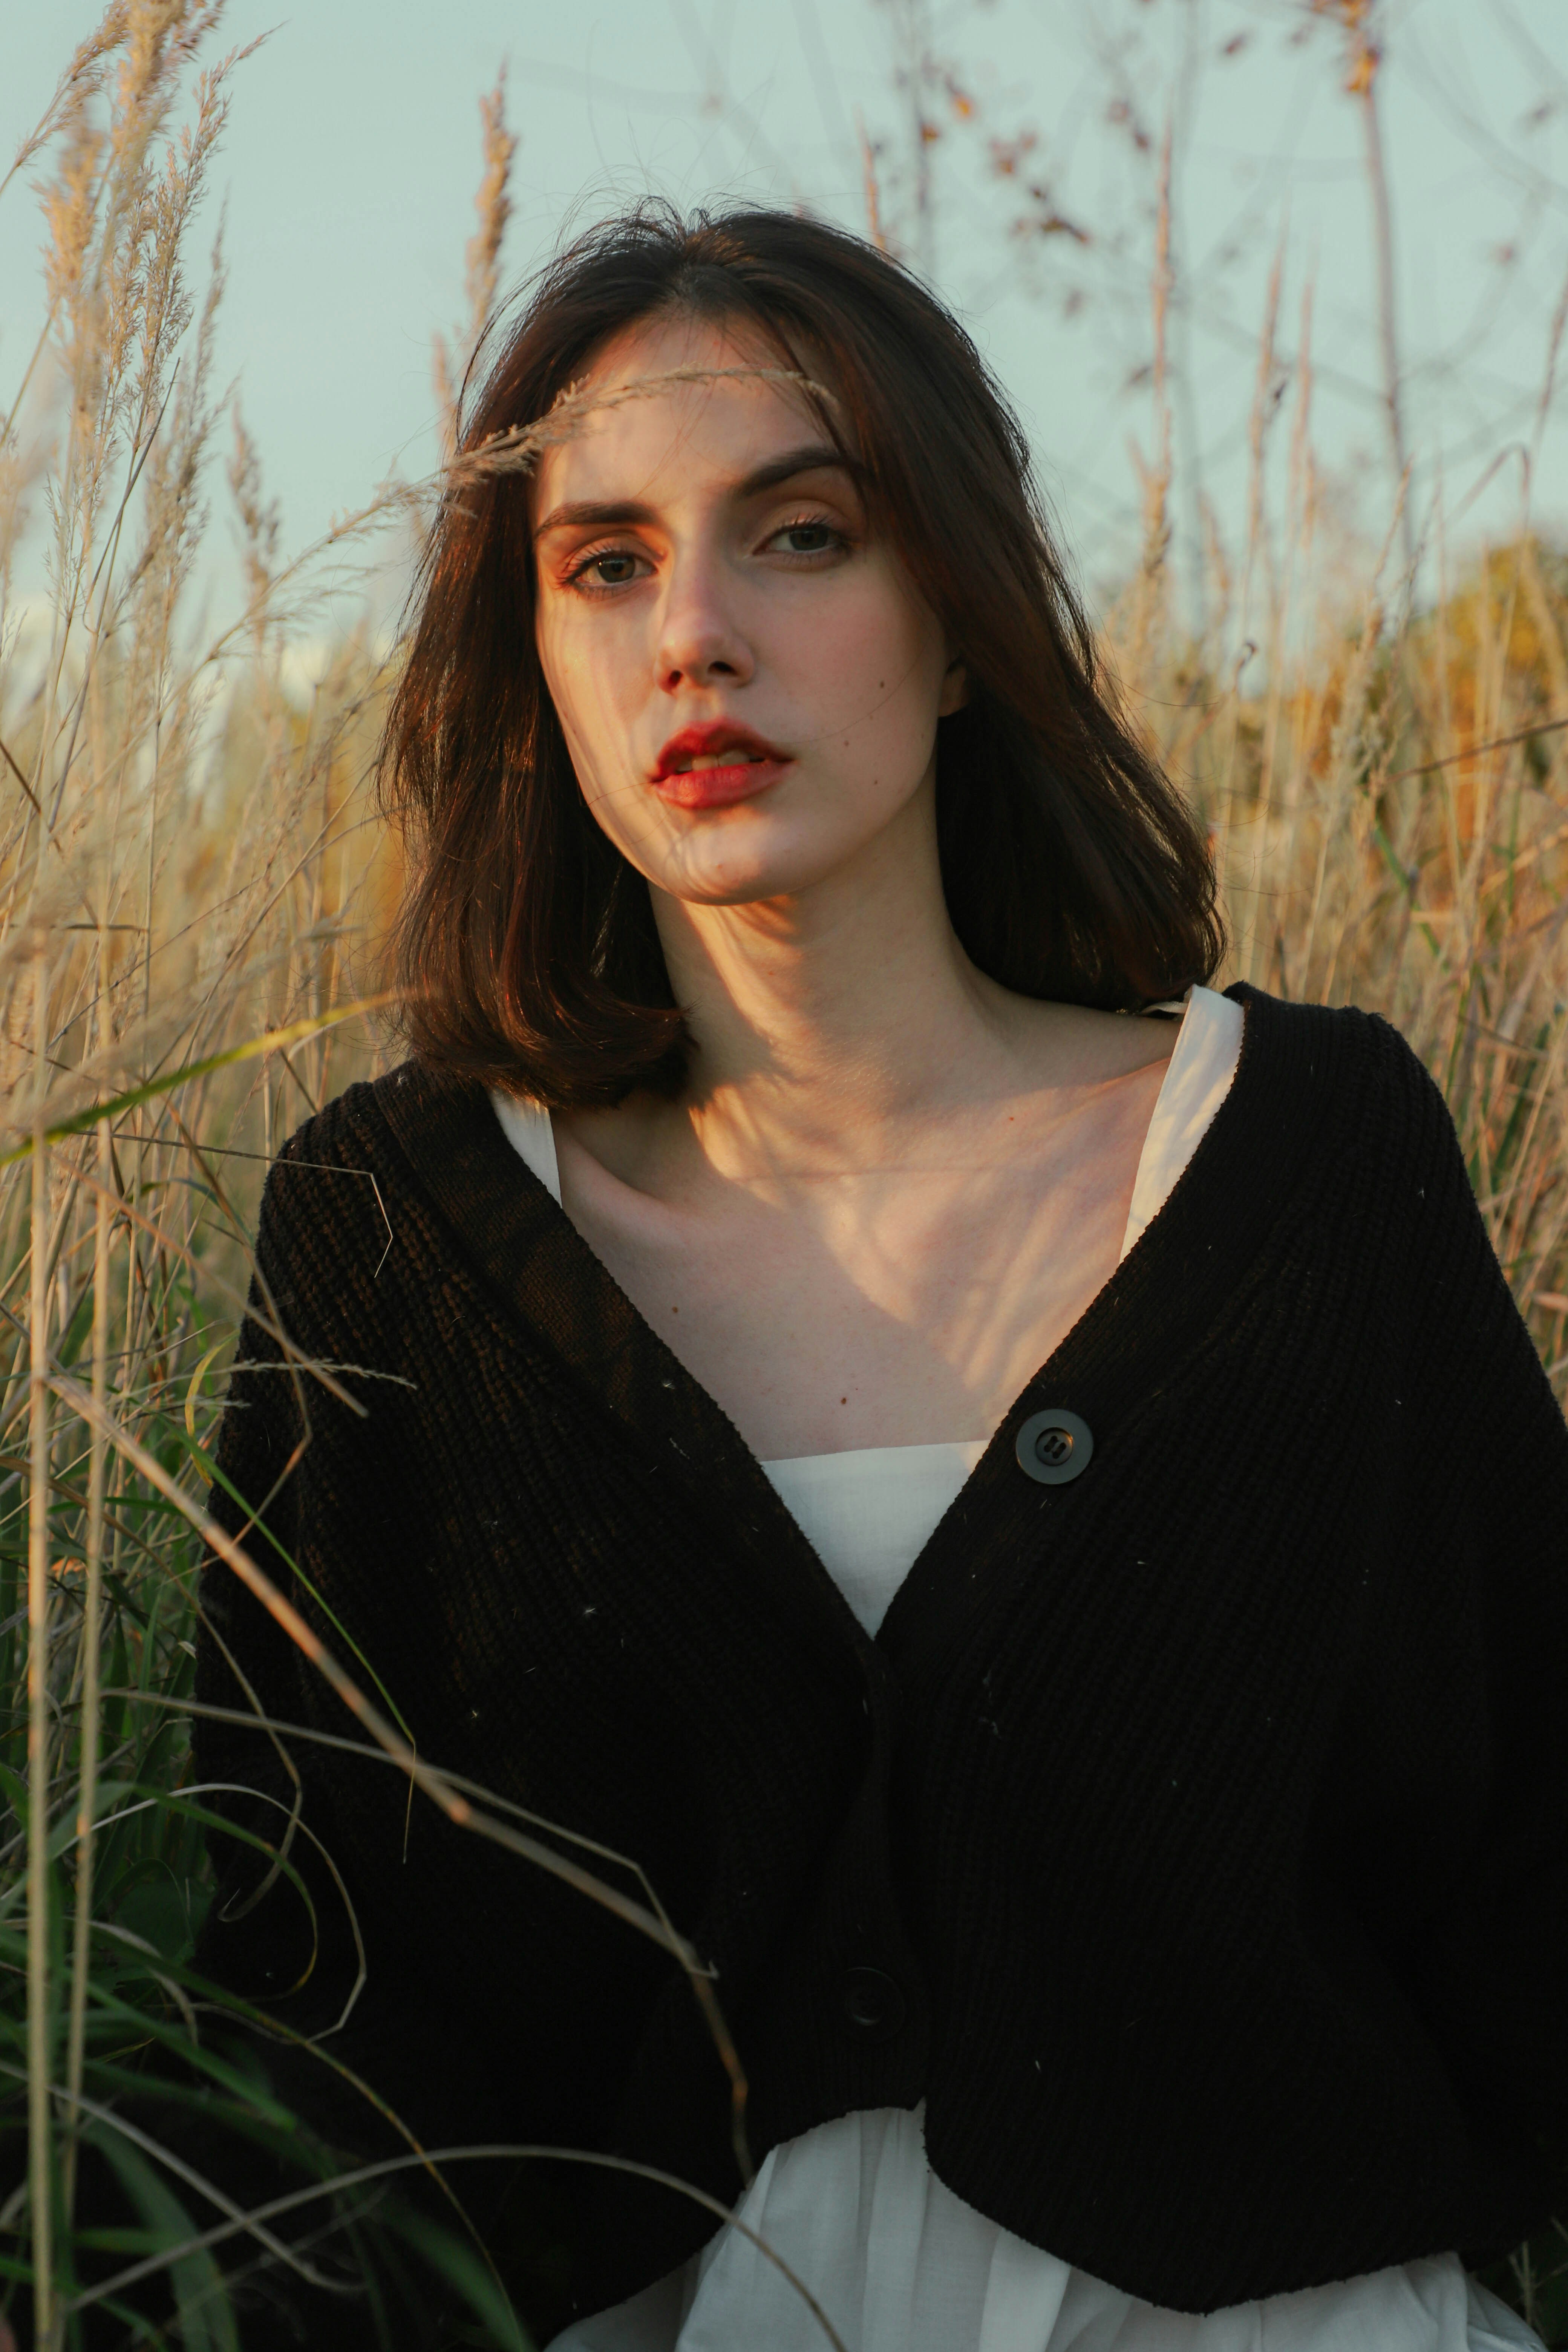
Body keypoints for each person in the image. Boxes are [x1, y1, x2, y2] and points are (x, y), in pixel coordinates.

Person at [194, 204, 1567, 2351]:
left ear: (955, 611)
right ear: (535, 668)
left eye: (803, 536)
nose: (696, 636)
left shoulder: (1306, 1163)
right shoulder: (396, 1242)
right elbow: (301, 2004)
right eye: (607, 563)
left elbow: (1527, 1869)